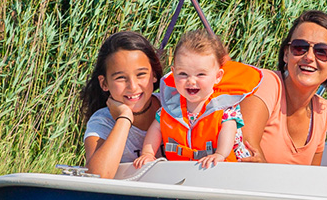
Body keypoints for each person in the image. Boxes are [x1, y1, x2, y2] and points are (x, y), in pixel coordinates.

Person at [238, 10, 327, 166]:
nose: (309, 57)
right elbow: (245, 151)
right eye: (300, 47)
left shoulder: (323, 110)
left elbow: (312, 178)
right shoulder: (267, 84)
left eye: (322, 52)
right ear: (286, 54)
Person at [135, 29, 262, 170]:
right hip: (188, 171)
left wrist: (220, 154)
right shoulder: (170, 108)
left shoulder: (224, 109)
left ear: (218, 76)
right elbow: (155, 129)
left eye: (201, 74)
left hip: (225, 169)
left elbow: (229, 130)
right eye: (183, 74)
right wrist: (148, 153)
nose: (191, 81)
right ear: (173, 71)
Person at [79, 30, 163, 179]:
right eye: (121, 78)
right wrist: (124, 118)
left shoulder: (173, 105)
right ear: (104, 83)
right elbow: (97, 177)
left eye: (141, 74)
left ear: (154, 75)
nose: (133, 86)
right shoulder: (102, 122)